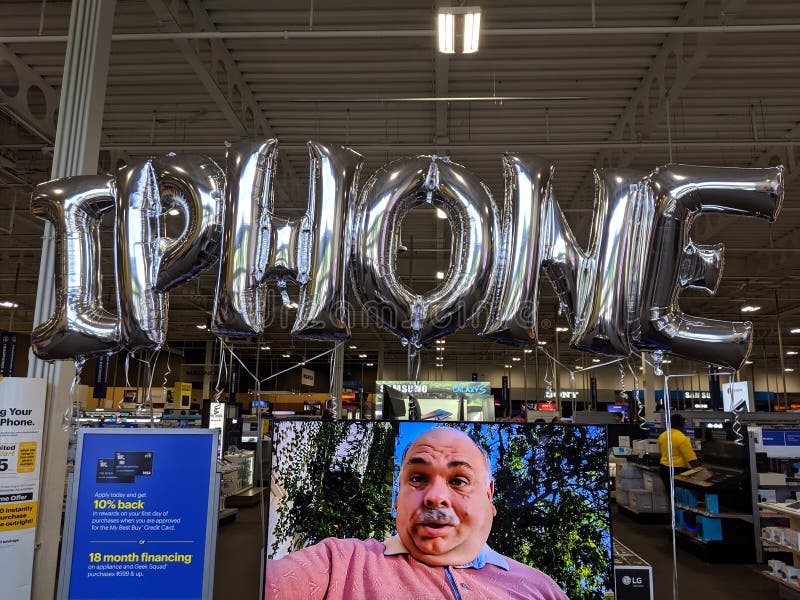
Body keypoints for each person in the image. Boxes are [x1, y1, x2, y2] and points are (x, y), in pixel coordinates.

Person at [265, 427, 568, 599]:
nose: (435, 497)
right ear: (398, 498)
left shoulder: (541, 590)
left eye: (459, 481)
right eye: (418, 479)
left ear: (489, 497)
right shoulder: (338, 564)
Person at [658, 413, 700, 493]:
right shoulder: (682, 438)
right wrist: (702, 473)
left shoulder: (662, 436)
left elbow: (661, 453)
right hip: (678, 471)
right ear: (683, 424)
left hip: (664, 470)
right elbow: (692, 460)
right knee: (682, 496)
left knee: (671, 494)